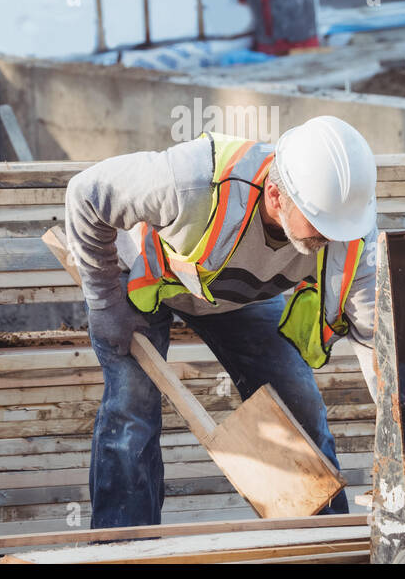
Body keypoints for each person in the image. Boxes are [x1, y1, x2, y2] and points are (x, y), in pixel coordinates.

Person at [63, 114, 381, 529]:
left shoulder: (349, 227)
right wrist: (105, 303)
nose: (332, 238)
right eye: (320, 227)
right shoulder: (191, 182)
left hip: (234, 295)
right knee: (132, 408)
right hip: (146, 280)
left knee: (297, 400)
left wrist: (398, 423)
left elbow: (377, 341)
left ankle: (323, 536)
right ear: (275, 195)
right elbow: (85, 194)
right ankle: (124, 544)